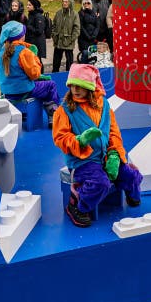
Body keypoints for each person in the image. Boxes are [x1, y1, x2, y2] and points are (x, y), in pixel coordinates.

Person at [52, 64, 142, 227]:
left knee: (130, 175)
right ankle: (77, 205)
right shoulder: (64, 110)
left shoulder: (104, 105)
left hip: (105, 155)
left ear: (90, 87)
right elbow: (60, 137)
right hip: (82, 161)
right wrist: (80, 140)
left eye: (80, 85)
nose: (75, 89)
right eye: (72, 85)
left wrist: (114, 154)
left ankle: (130, 192)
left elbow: (114, 132)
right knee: (100, 183)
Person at [0, 20, 60, 122]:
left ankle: (23, 113)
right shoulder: (24, 52)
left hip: (7, 92)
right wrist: (35, 58)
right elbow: (35, 75)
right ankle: (53, 114)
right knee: (50, 85)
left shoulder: (0, 53)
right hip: (23, 92)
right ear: (21, 36)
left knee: (37, 83)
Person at [52, 0, 80, 72]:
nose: (64, 3)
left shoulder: (74, 14)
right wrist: (54, 35)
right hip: (58, 41)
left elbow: (77, 29)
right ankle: (55, 76)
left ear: (70, 3)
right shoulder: (58, 13)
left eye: (66, 2)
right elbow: (53, 25)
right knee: (56, 62)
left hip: (68, 42)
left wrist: (71, 39)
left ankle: (69, 76)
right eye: (63, 1)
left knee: (69, 64)